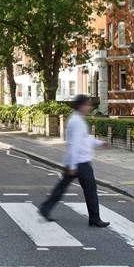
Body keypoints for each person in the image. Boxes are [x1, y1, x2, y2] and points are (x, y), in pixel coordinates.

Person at [38, 95, 109, 227]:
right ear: (81, 106)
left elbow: (85, 139)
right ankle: (94, 219)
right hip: (80, 163)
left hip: (76, 162)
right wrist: (72, 165)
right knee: (91, 190)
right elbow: (74, 144)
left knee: (61, 187)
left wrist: (100, 143)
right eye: (87, 105)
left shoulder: (77, 119)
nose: (89, 107)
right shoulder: (77, 121)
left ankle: (45, 208)